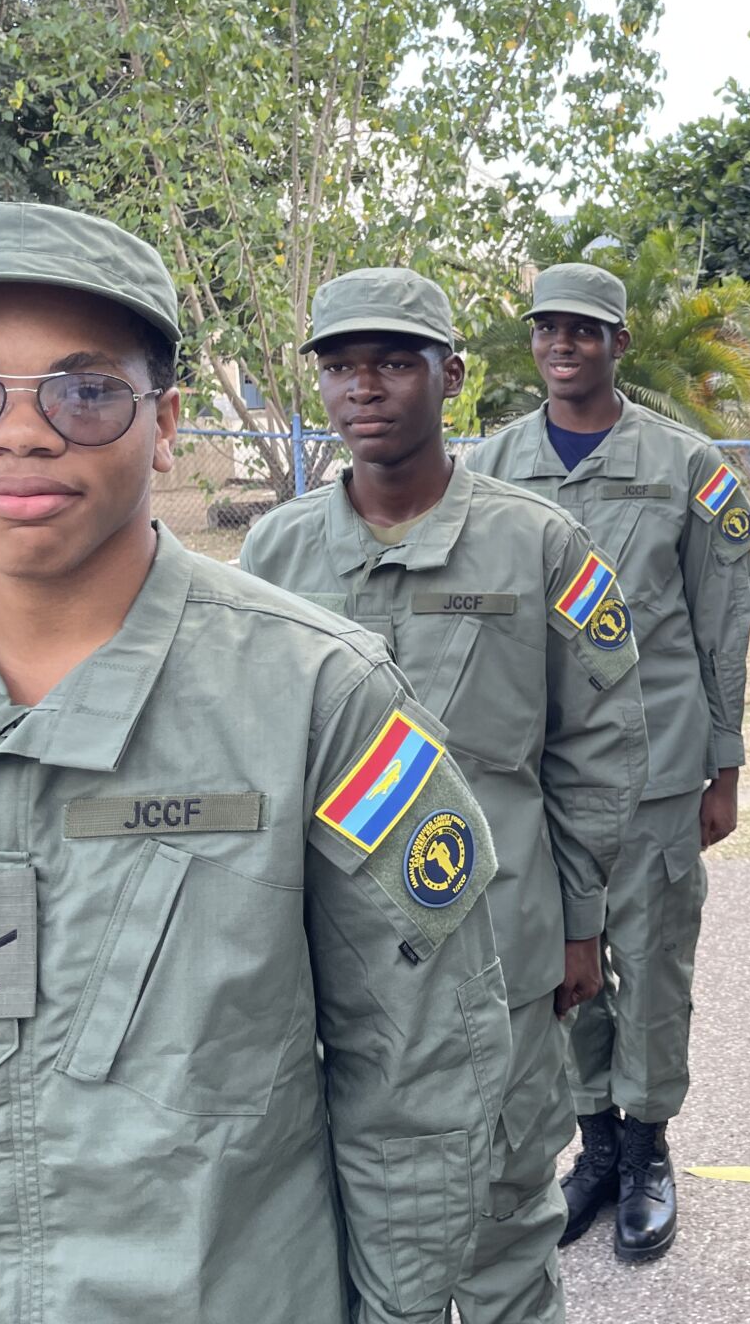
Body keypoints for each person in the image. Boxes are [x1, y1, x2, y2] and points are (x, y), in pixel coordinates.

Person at [0, 202, 509, 1321]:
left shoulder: (323, 697)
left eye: (82, 389)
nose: (19, 434)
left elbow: (420, 1074)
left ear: (164, 424)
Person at [240, 268, 648, 1321]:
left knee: (504, 1211)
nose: (361, 388)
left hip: (499, 937)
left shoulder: (538, 541)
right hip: (314, 951)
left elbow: (596, 746)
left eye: (391, 363)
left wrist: (579, 921)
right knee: (333, 1209)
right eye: (339, 367)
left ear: (451, 377)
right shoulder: (274, 554)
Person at [465, 261, 750, 1263]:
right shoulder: (488, 466)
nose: (562, 344)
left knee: (652, 962)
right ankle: (591, 1146)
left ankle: (647, 1150)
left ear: (617, 343)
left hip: (657, 764)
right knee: (556, 963)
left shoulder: (686, 468)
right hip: (531, 769)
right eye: (548, 328)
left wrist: (723, 762)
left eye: (584, 330)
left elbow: (722, 622)